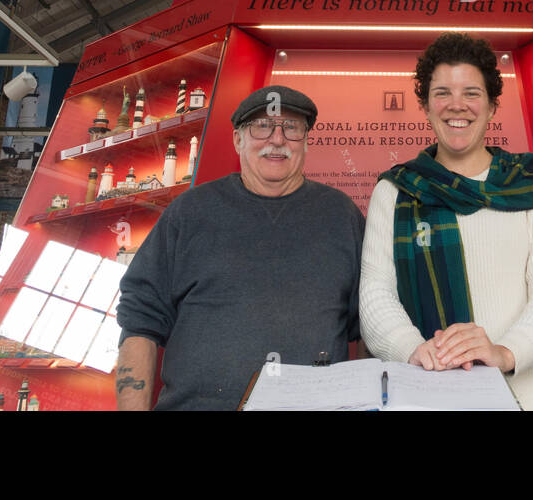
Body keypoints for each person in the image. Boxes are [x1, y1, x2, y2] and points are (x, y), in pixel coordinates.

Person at [359, 33, 533, 410]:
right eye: (442, 93)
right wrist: (414, 350)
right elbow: (376, 293)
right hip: (431, 395)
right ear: (426, 106)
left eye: (471, 93)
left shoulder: (530, 185)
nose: (456, 106)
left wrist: (505, 352)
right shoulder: (396, 191)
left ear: (493, 105)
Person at [114, 85, 364, 410]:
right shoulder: (188, 214)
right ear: (237, 140)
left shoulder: (342, 215)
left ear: (305, 140)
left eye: (291, 128)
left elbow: (369, 326)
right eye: (262, 126)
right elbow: (139, 322)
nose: (277, 139)